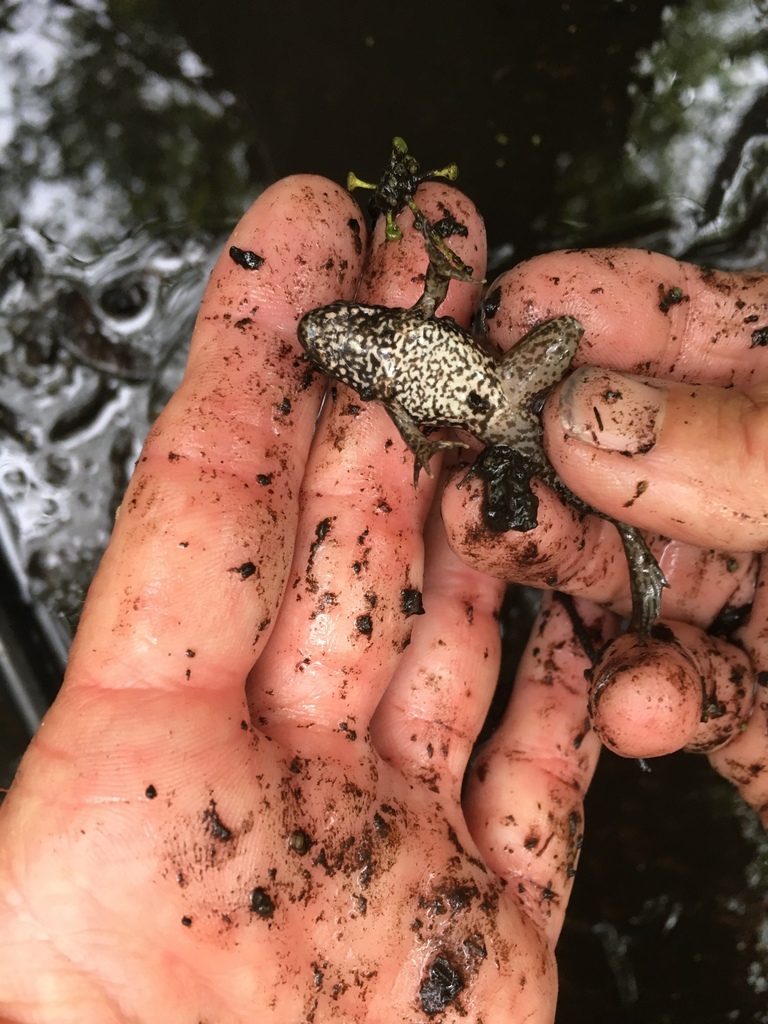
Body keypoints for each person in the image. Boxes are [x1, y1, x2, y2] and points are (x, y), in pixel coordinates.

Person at [0, 175, 765, 1023]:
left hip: (503, 406)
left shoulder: (402, 373)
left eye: (343, 334)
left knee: (536, 487)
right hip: (491, 399)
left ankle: (636, 531)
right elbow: (426, 364)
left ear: (373, 334)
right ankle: (636, 541)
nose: (333, 334)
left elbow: (423, 406)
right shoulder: (412, 339)